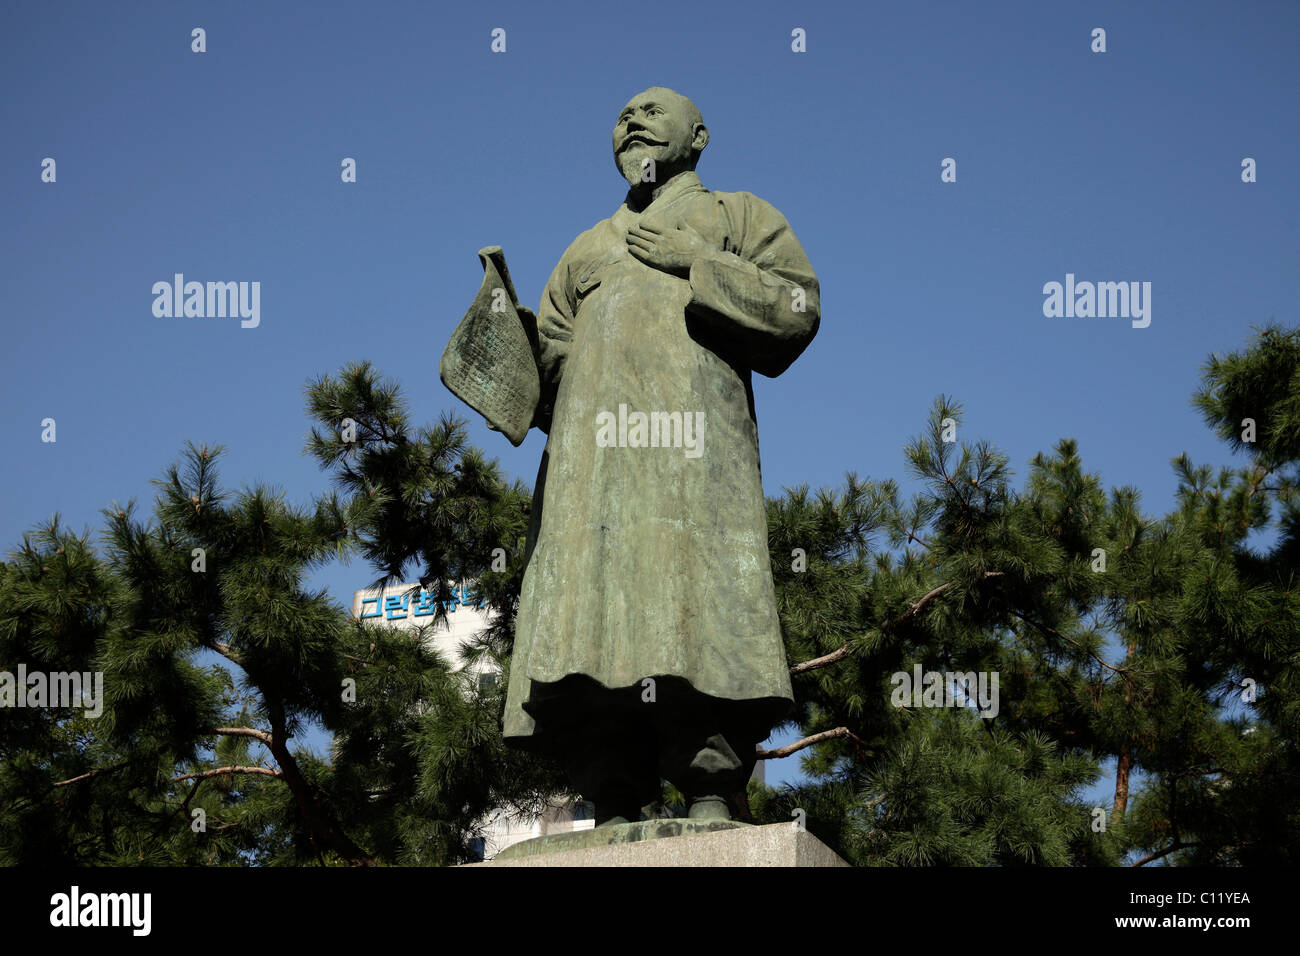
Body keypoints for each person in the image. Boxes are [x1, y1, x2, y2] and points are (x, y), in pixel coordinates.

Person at [503, 87, 820, 825]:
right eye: (621, 113)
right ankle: (613, 789)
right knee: (592, 625)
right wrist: (512, 362)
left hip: (695, 465)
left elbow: (799, 311)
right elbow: (548, 377)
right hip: (594, 482)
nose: (631, 119)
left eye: (651, 109)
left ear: (699, 136)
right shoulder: (585, 247)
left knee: (699, 611)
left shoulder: (738, 216)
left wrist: (699, 262)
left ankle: (710, 782)